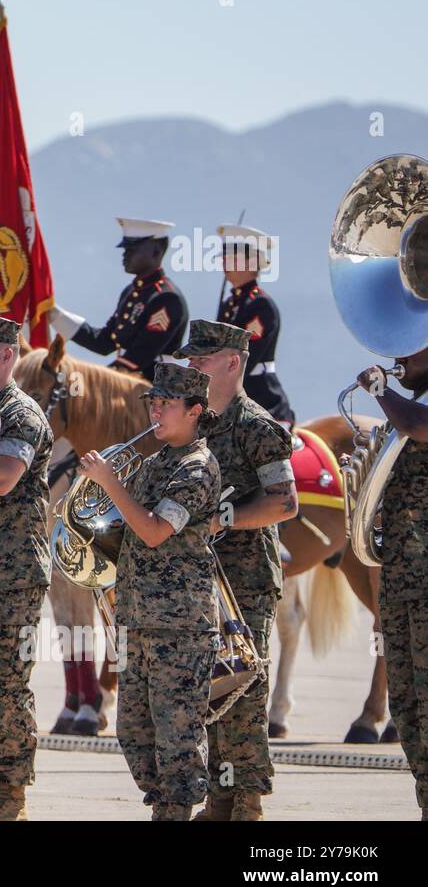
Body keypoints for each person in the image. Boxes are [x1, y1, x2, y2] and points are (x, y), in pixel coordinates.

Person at [79, 362, 221, 820]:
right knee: (134, 730)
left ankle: (174, 811)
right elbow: (126, 531)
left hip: (180, 624)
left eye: (167, 405)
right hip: (138, 618)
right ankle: (162, 805)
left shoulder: (197, 468)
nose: (156, 412)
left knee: (177, 737)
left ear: (195, 411)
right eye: (153, 403)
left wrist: (110, 483)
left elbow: (157, 530)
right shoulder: (153, 462)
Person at [178, 320, 295, 820]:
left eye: (201, 360)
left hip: (245, 579)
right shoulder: (194, 425)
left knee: (243, 687)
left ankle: (246, 801)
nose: (193, 367)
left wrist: (221, 519)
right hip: (201, 578)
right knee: (207, 687)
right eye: (191, 360)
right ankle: (218, 796)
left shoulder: (257, 427)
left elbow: (284, 503)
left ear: (232, 362)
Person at [0, 315, 54, 820]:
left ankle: (12, 795)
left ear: (6, 356)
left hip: (13, 571)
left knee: (3, 685)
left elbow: (3, 479)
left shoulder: (19, 414)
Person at [355, 350, 428, 821]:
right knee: (406, 705)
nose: (399, 357)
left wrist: (384, 392)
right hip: (403, 580)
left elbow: (421, 427)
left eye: (409, 348)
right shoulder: (408, 405)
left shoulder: (409, 410)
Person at [48, 218, 188, 381]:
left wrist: (92, 379)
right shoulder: (131, 292)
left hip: (156, 390)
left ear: (156, 251)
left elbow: (139, 357)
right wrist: (54, 315)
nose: (125, 254)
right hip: (128, 384)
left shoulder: (166, 298)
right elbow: (104, 342)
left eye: (132, 249)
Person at [215, 225, 295, 426]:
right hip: (230, 396)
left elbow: (246, 357)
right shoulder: (229, 305)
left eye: (233, 257)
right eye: (225, 257)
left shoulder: (261, 305)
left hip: (261, 399)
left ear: (252, 263)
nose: (225, 262)